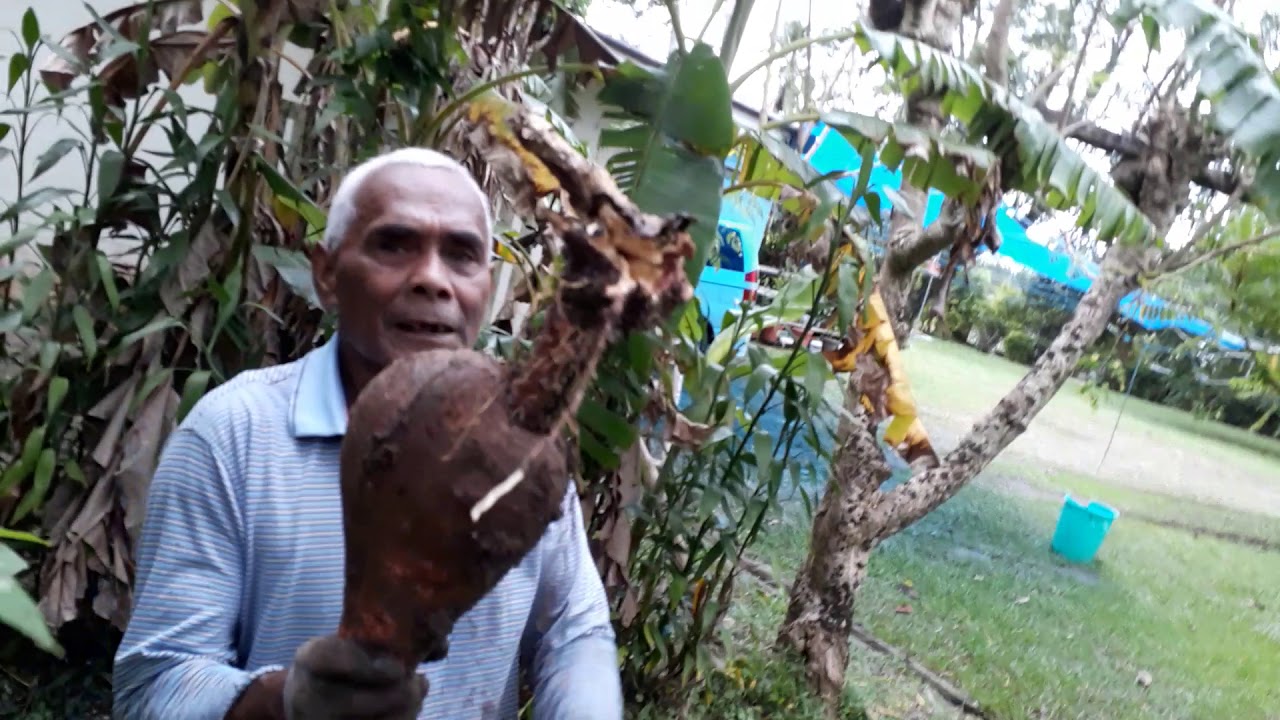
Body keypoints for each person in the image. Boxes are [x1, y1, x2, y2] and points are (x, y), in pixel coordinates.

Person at [112, 148, 624, 720]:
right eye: (394, 244)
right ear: (326, 274)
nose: (432, 279)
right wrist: (288, 701)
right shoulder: (233, 434)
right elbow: (154, 682)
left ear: (488, 284)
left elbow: (573, 633)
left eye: (462, 255)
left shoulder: (523, 444)